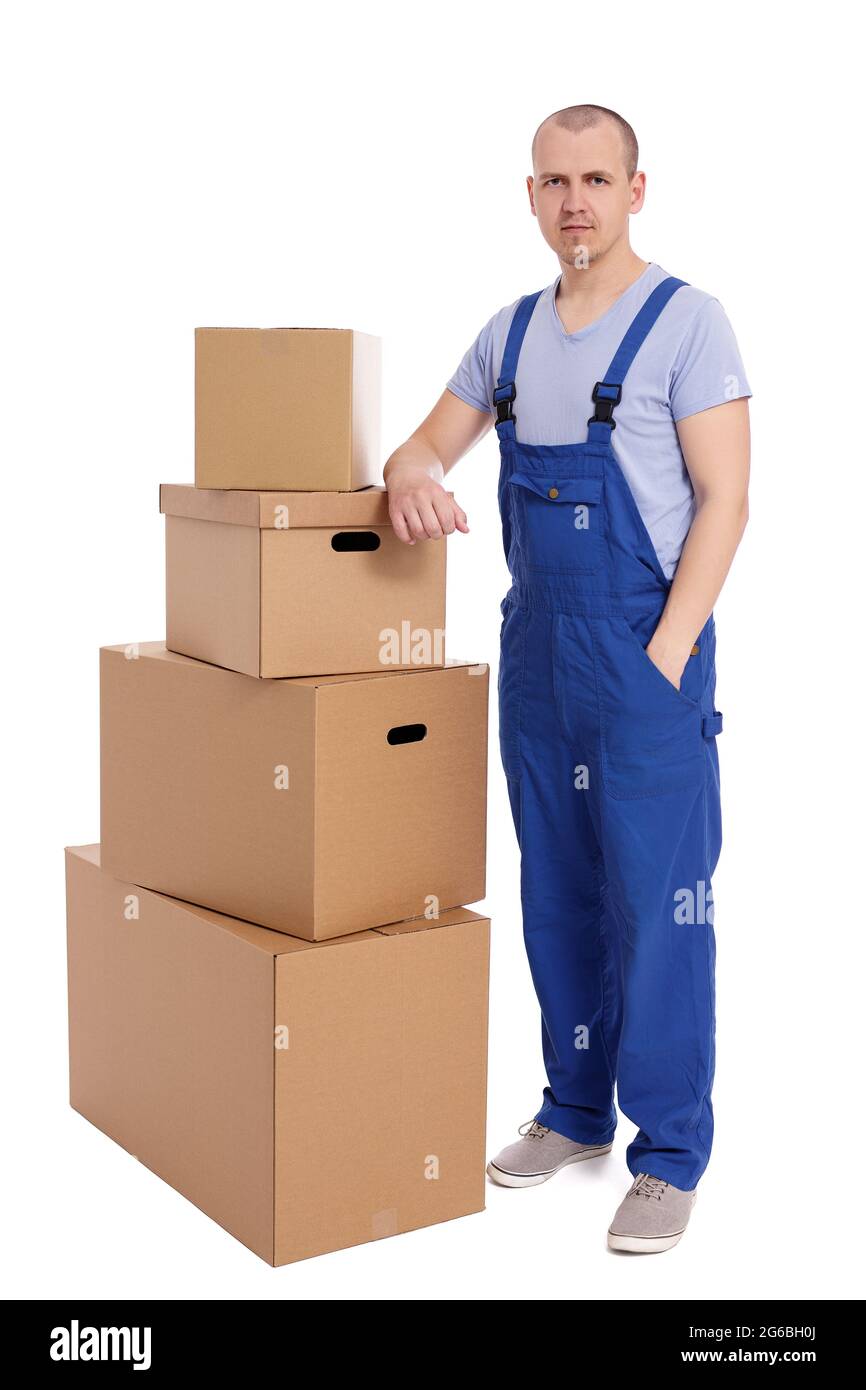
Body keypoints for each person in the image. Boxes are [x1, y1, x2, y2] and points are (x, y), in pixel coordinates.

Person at [382, 104, 751, 1254]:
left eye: (595, 177)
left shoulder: (687, 324)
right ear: (529, 195)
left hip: (645, 654)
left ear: (635, 189)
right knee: (557, 894)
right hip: (539, 656)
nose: (574, 200)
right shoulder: (506, 334)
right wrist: (406, 478)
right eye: (553, 180)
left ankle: (669, 1151)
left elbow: (726, 501)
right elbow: (420, 447)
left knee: (659, 908)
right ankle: (575, 1110)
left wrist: (667, 653)